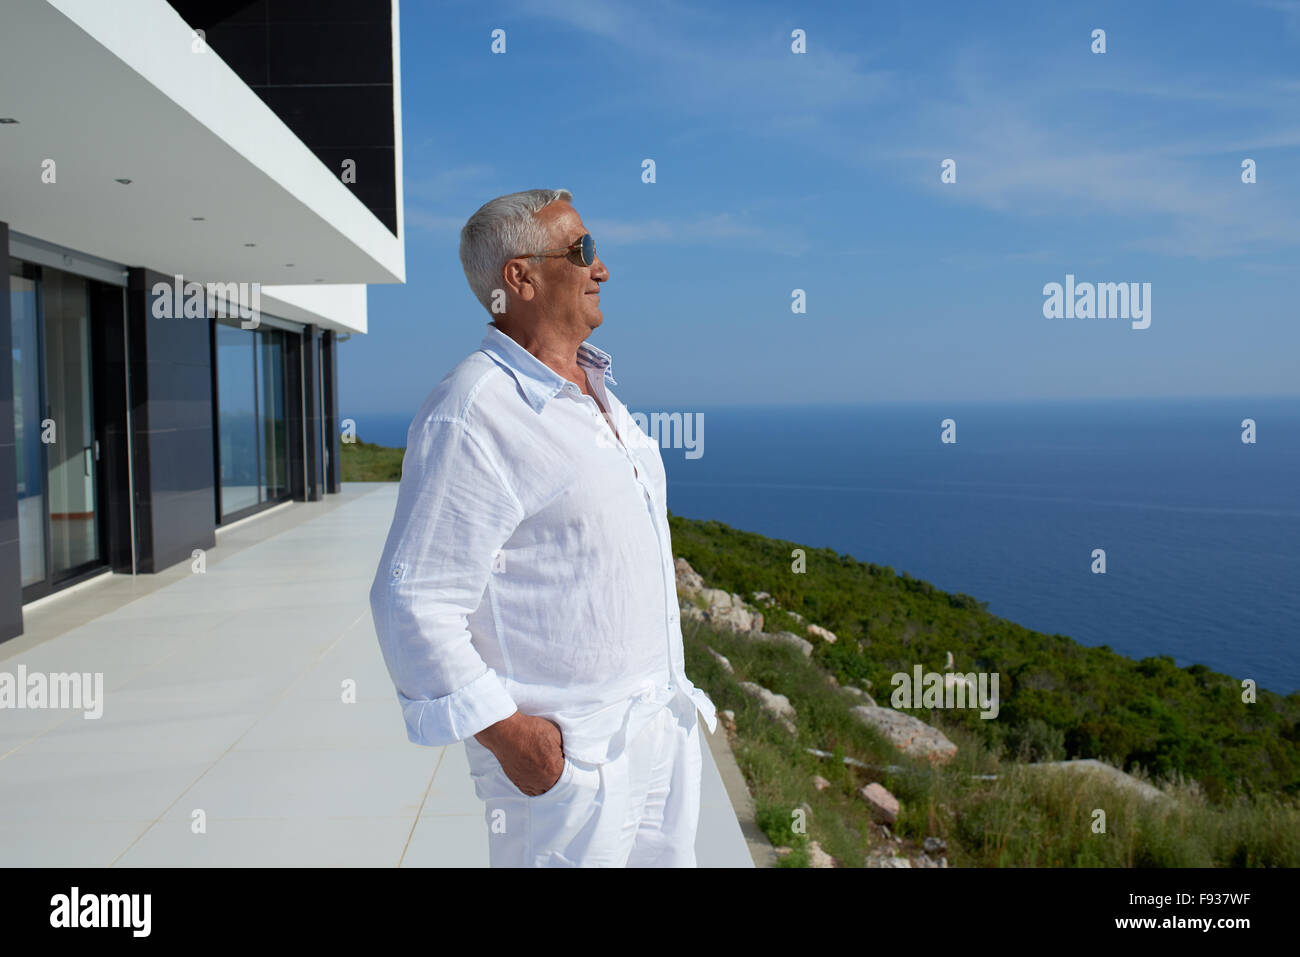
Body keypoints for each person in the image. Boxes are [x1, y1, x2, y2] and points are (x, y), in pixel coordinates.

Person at [368, 188, 717, 867]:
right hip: (574, 771)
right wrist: (520, 743)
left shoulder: (598, 390)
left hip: (656, 742)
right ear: (520, 278)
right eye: (581, 250)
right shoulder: (473, 410)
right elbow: (410, 599)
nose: (601, 267)